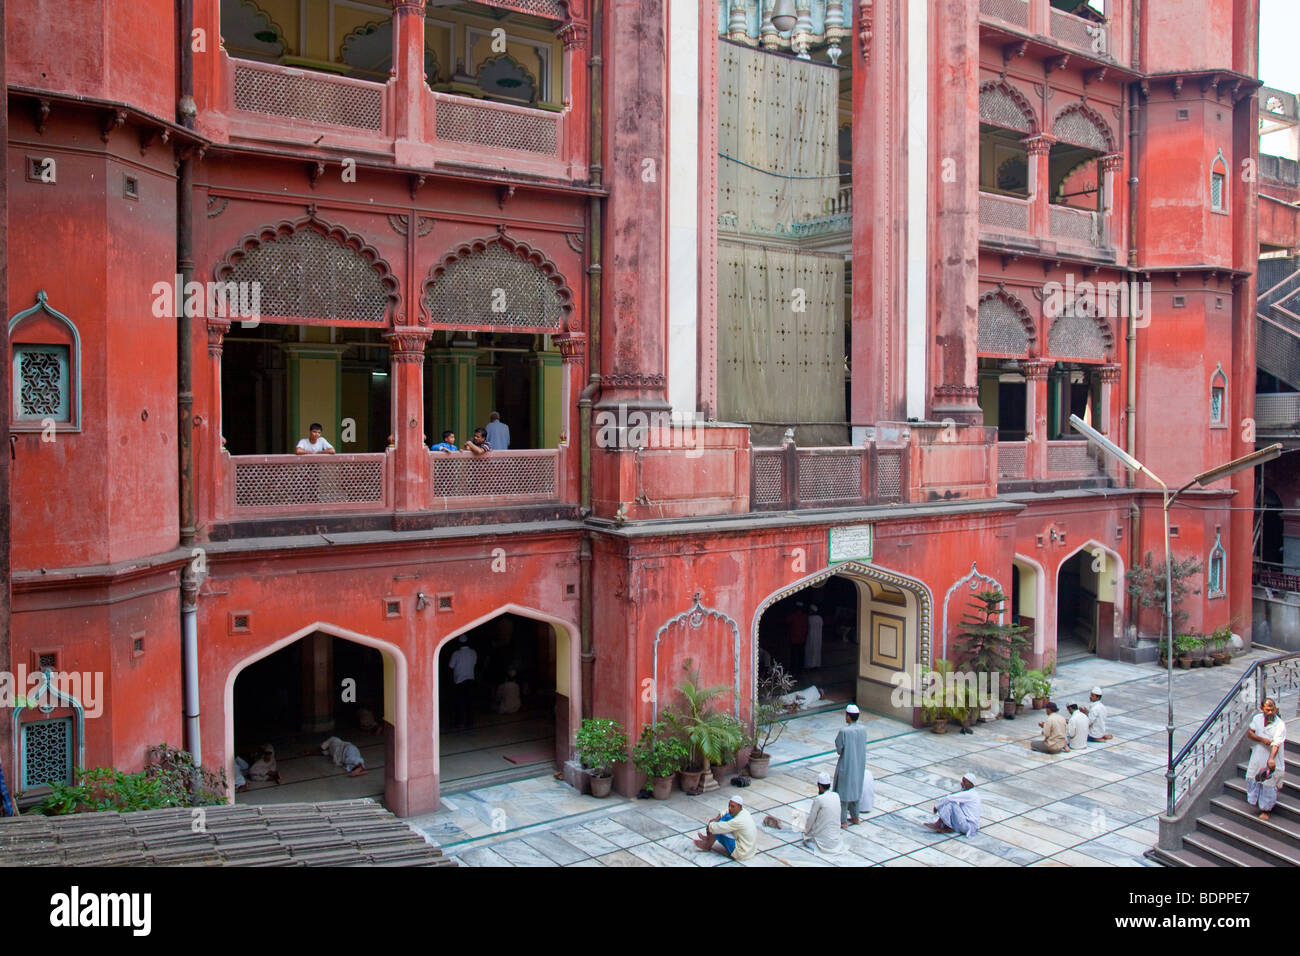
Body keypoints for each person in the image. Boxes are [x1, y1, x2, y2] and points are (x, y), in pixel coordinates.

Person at [764, 771, 843, 855]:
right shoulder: (836, 795)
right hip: (836, 842)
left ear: (819, 786)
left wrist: (806, 832)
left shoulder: (819, 799)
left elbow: (811, 819)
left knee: (807, 841)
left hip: (824, 843)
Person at [1245, 697, 1286, 820]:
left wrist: (1271, 759)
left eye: (1272, 710)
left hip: (1272, 755)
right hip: (1258, 754)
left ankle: (1266, 809)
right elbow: (1250, 733)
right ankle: (1254, 800)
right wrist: (1262, 739)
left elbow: (1276, 744)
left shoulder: (1280, 725)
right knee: (1254, 776)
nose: (1270, 712)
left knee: (1269, 781)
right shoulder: (1257, 719)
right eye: (1267, 710)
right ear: (1262, 709)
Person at [834, 704, 868, 826]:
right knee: (855, 792)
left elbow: (839, 749)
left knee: (843, 795)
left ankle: (843, 821)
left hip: (846, 765)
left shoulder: (844, 731)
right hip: (858, 765)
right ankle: (855, 818)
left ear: (848, 716)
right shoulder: (863, 729)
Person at [693, 795, 757, 861]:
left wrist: (710, 824)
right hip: (750, 850)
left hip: (742, 853)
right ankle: (709, 838)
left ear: (739, 806)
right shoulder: (744, 811)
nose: (730, 808)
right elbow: (726, 811)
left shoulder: (738, 821)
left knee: (717, 828)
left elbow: (716, 828)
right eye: (729, 805)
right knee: (726, 816)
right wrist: (717, 818)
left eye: (732, 806)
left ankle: (707, 845)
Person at [448, 635, 478, 729]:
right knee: (469, 702)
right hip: (470, 679)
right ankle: (470, 722)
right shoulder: (473, 652)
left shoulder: (456, 653)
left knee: (459, 703)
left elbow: (451, 666)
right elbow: (475, 663)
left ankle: (459, 722)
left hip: (459, 681)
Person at [787, 602, 808, 673]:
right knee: (800, 655)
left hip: (794, 639)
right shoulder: (804, 617)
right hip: (801, 639)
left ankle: (793, 668)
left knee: (793, 655)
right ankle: (800, 668)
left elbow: (787, 622)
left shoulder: (793, 616)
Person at [804, 604, 824, 670]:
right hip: (818, 638)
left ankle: (811, 665)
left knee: (811, 651)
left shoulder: (809, 618)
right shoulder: (820, 618)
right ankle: (816, 665)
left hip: (811, 638)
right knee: (816, 651)